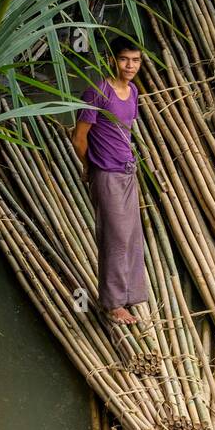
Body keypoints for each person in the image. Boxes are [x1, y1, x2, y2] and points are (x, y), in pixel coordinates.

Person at [70, 38, 148, 324]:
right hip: (107, 174)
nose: (130, 66)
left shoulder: (133, 91)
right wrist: (91, 167)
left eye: (136, 60)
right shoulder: (97, 93)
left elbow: (124, 132)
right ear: (112, 59)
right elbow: (79, 138)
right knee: (114, 238)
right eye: (125, 59)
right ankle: (113, 304)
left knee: (131, 236)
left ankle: (129, 295)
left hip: (128, 171)